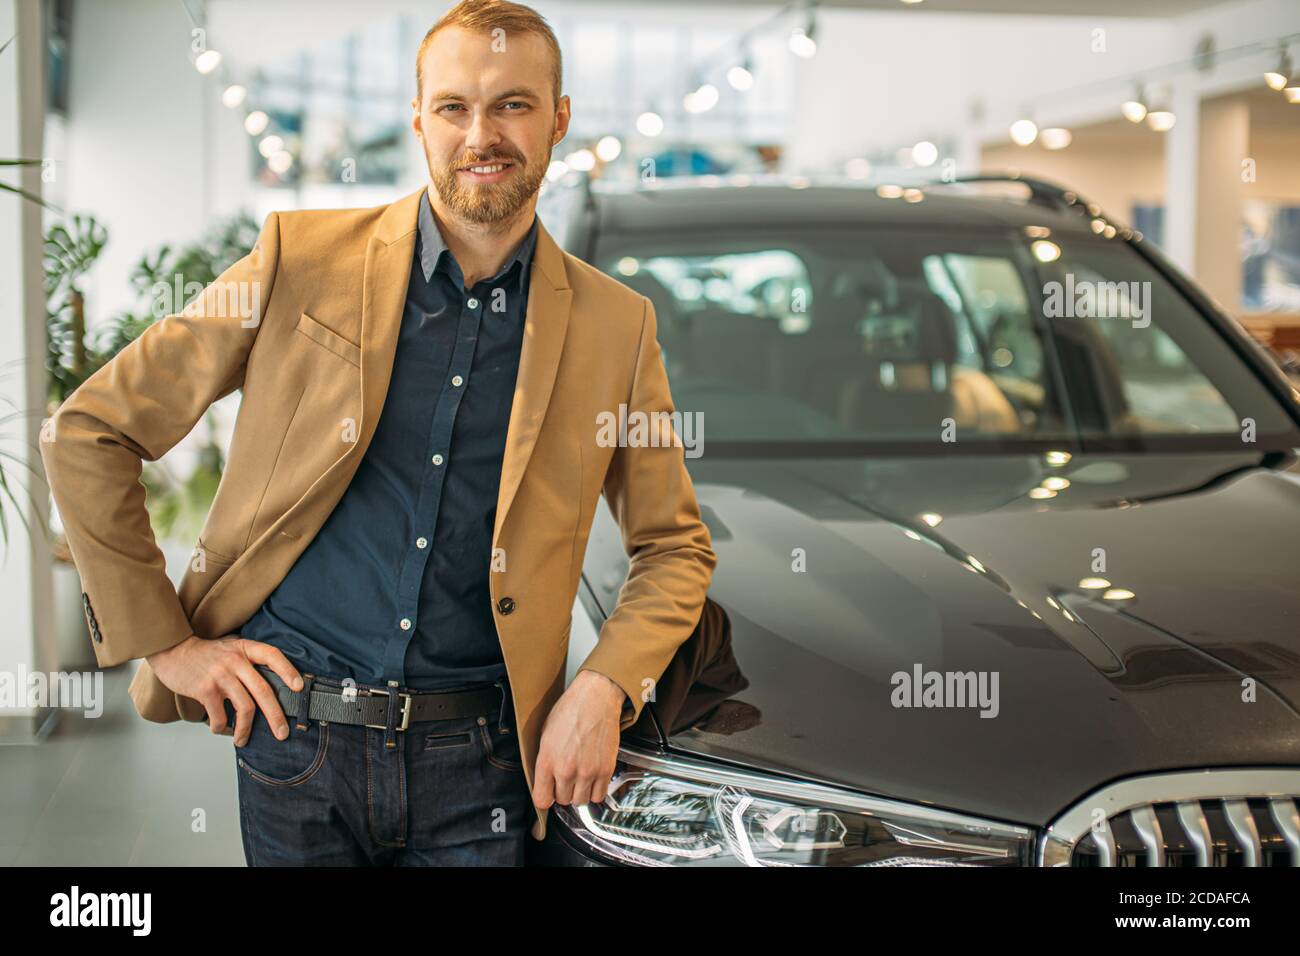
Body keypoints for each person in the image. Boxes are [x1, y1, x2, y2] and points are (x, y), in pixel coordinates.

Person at [40, 0, 715, 866]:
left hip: (484, 766)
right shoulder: (299, 258)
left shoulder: (615, 326)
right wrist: (168, 644)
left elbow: (673, 547)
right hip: (295, 741)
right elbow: (90, 428)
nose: (482, 133)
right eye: (453, 107)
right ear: (419, 122)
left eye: (512, 103)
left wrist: (604, 685)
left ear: (559, 119)